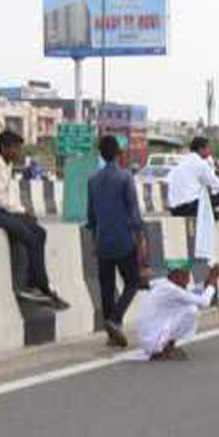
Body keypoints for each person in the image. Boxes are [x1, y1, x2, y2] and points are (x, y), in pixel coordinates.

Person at [0, 130, 67, 308]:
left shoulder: (6, 164)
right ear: (4, 148)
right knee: (29, 237)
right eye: (16, 148)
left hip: (0, 210)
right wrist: (22, 211)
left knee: (39, 232)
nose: (19, 153)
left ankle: (33, 280)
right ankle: (40, 284)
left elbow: (9, 195)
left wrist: (23, 211)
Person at [86, 134, 145, 344]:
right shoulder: (126, 178)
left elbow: (91, 216)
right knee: (133, 282)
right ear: (119, 154)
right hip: (124, 241)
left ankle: (111, 331)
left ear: (101, 154)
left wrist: (95, 241)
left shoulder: (92, 180)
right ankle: (116, 319)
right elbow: (134, 214)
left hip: (103, 242)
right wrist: (141, 241)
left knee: (107, 288)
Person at [134, 259, 219, 360]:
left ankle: (166, 346)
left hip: (149, 336)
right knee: (191, 310)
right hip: (153, 340)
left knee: (184, 306)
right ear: (175, 276)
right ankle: (164, 349)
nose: (188, 280)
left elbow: (194, 288)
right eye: (185, 276)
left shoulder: (163, 282)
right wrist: (212, 282)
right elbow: (204, 302)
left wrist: (209, 280)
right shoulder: (172, 290)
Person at [167, 136, 219, 261]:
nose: (209, 151)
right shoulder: (200, 164)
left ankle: (211, 213)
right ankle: (211, 214)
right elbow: (216, 183)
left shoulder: (182, 163)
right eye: (208, 148)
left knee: (209, 200)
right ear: (201, 149)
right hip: (190, 207)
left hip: (175, 209)